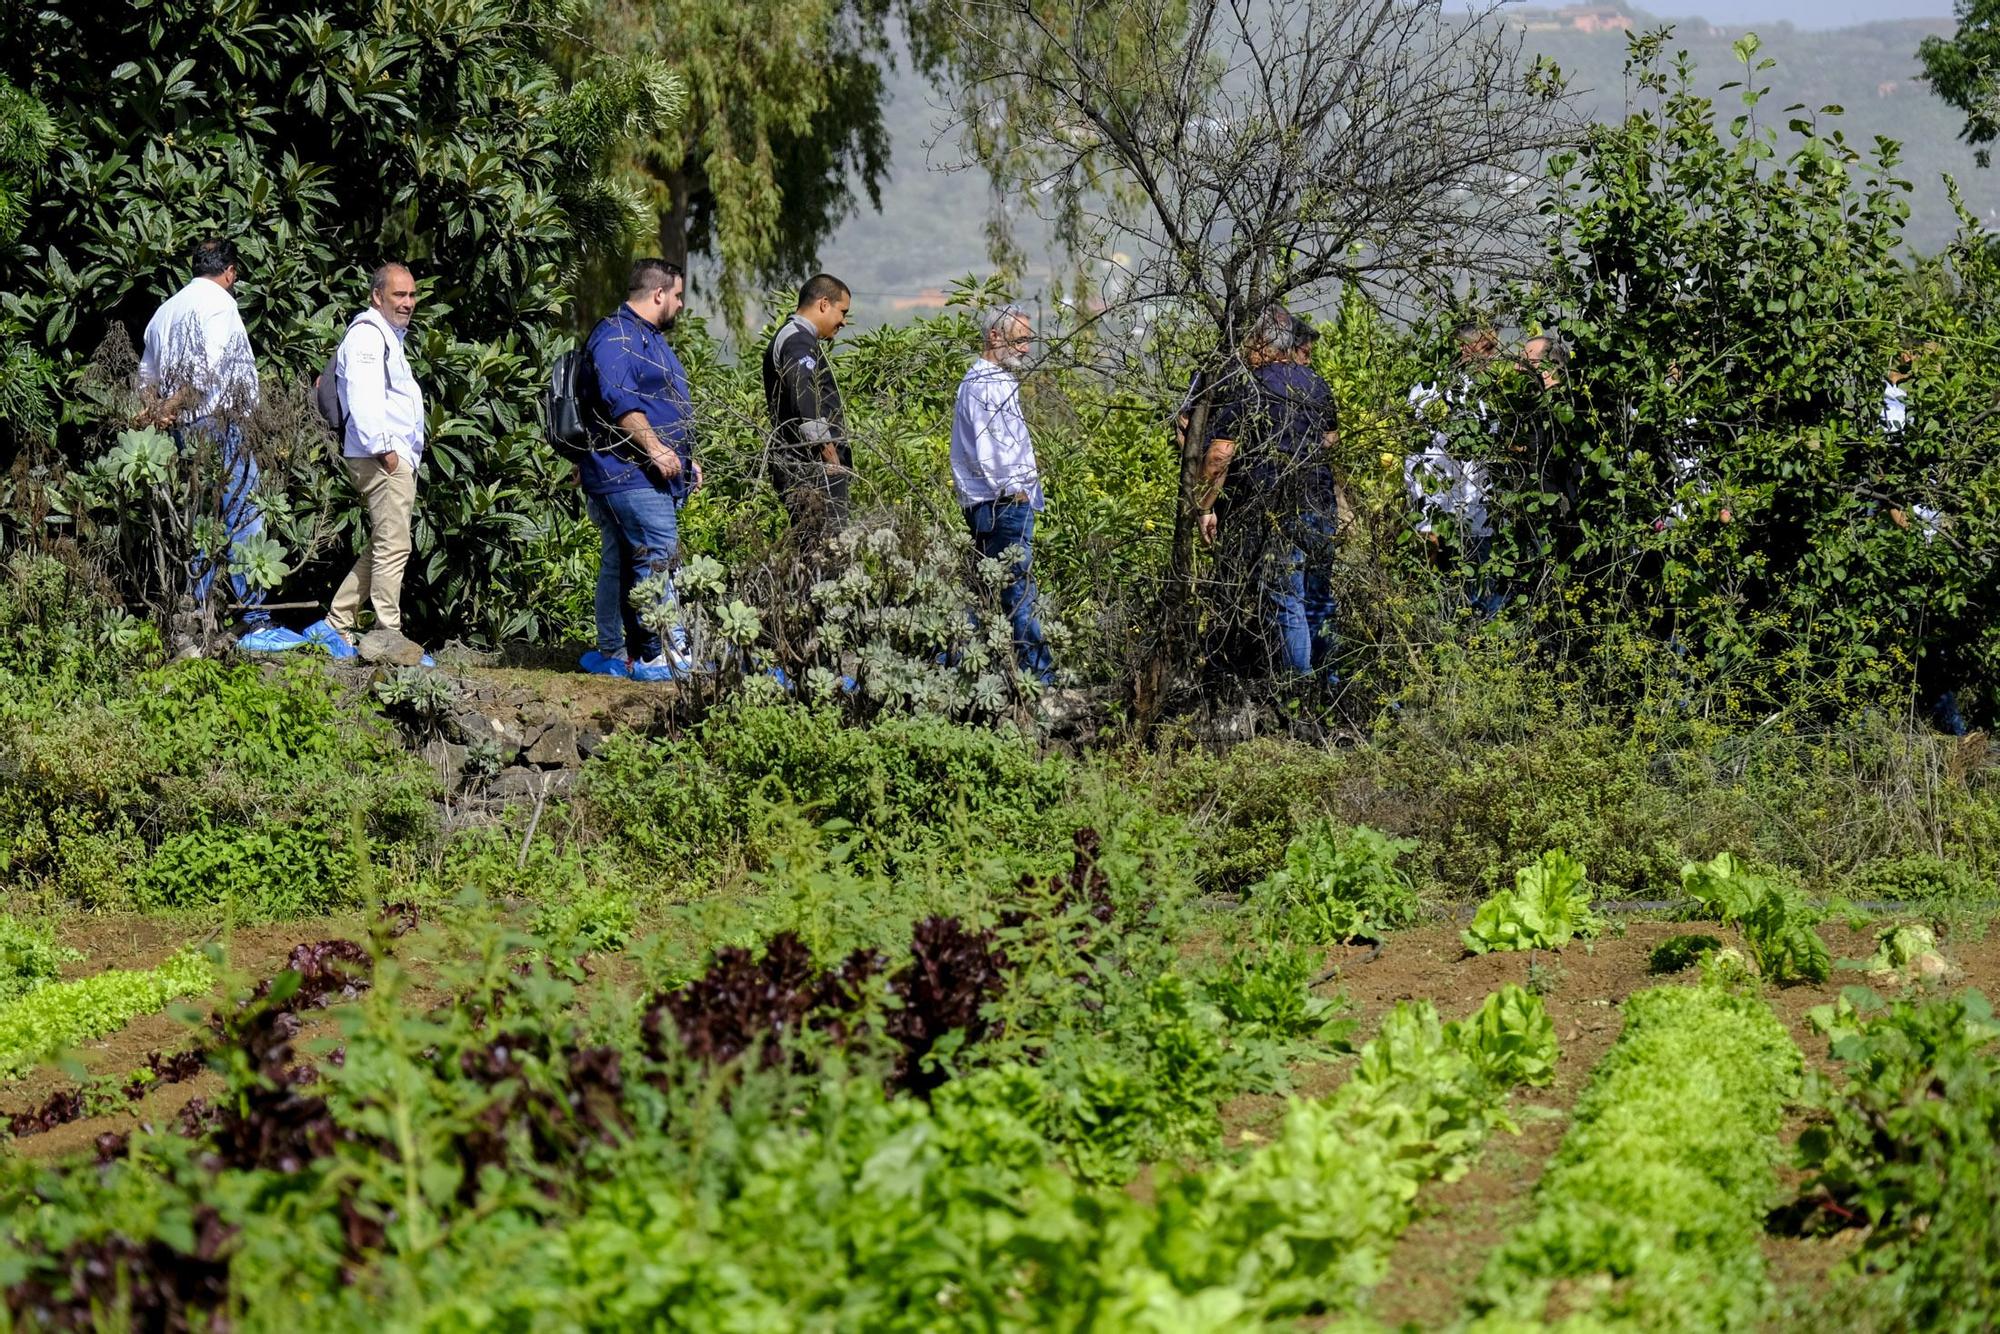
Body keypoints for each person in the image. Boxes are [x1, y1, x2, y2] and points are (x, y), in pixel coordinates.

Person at [135, 236, 303, 652]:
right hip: (221, 425)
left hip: (183, 432)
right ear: (230, 272)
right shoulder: (221, 304)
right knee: (244, 518)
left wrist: (158, 410)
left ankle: (199, 617)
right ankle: (254, 623)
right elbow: (206, 367)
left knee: (202, 525)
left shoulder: (164, 311)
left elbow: (144, 378)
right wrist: (175, 403)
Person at [1198, 304, 1342, 682]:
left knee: (1287, 600)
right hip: (1320, 504)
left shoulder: (1252, 385)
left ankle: (1300, 691)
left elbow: (1219, 454)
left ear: (1264, 343)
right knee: (1318, 597)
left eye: (1250, 343)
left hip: (1278, 507)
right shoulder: (1317, 383)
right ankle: (1330, 683)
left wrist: (1205, 505)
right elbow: (1331, 439)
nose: (1247, 351)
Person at [579, 258, 700, 682]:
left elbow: (664, 402)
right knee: (659, 556)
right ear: (658, 294)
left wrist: (687, 457)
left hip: (641, 471)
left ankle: (613, 650)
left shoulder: (647, 336)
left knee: (621, 559)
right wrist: (656, 450)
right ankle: (661, 652)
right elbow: (619, 401)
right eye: (679, 296)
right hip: (627, 473)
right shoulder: (615, 336)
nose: (682, 305)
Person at [301, 264, 429, 664]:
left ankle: (335, 623)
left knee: (383, 544)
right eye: (398, 295)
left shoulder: (387, 335)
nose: (407, 303)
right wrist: (386, 451)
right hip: (380, 457)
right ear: (377, 296)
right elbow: (364, 396)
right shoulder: (369, 336)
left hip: (386, 455)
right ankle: (388, 634)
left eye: (411, 295)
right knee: (394, 545)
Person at [951, 305, 1053, 684]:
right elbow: (992, 448)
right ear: (995, 336)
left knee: (985, 591)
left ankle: (966, 672)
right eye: (1021, 339)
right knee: (1018, 593)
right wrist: (1016, 493)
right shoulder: (987, 384)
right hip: (1003, 505)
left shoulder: (989, 380)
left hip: (996, 504)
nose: (1026, 349)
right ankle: (1039, 680)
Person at [1405, 321, 1502, 617]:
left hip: (1477, 508)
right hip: (1439, 509)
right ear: (1465, 349)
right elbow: (1416, 456)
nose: (1494, 356)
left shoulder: (1489, 393)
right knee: (1435, 588)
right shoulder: (1429, 391)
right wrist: (1425, 517)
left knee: (1479, 589)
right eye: (1487, 348)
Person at [763, 274, 853, 547]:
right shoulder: (798, 341)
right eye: (843, 312)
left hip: (810, 468)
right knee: (825, 554)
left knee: (818, 552)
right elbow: (806, 402)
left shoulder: (799, 338)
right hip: (811, 470)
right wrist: (830, 457)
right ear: (824, 304)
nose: (844, 321)